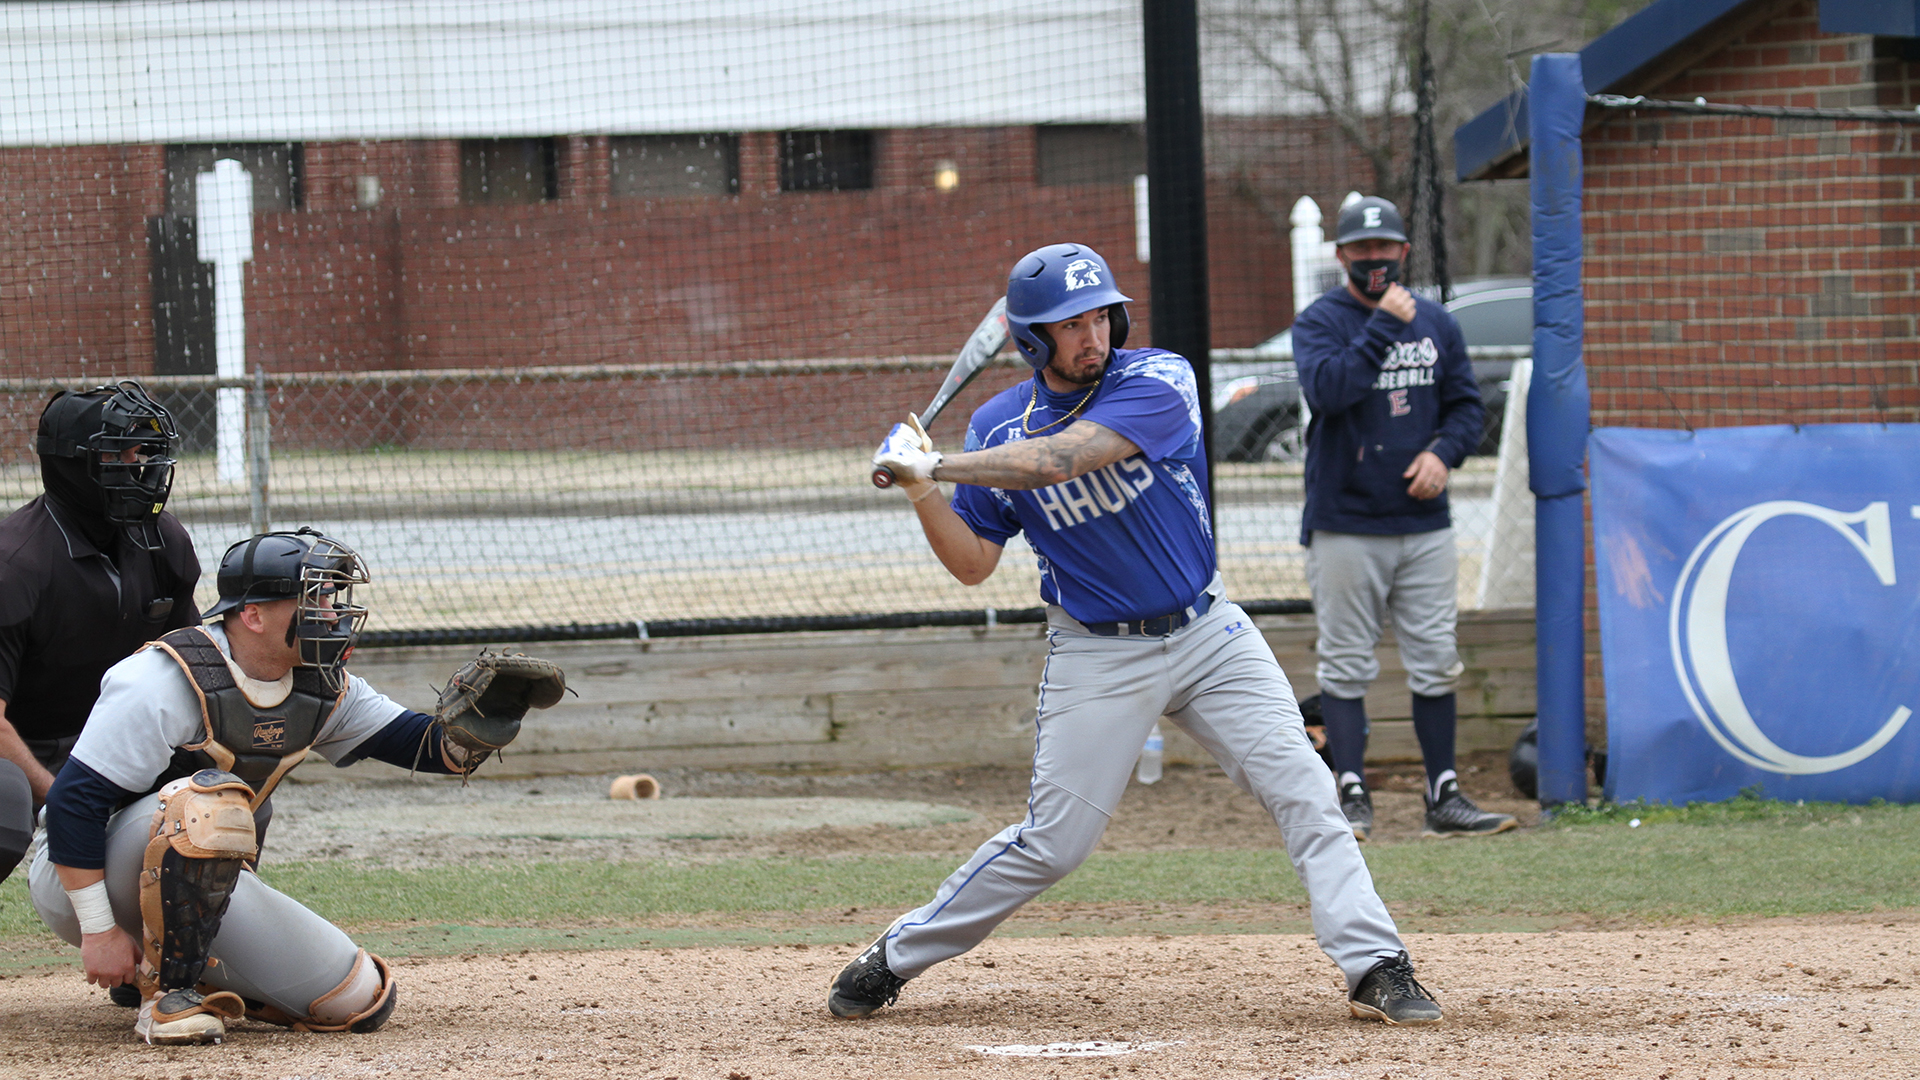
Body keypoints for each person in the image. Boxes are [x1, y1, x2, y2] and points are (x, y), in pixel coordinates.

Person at [845, 242, 1443, 1026]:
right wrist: (920, 489)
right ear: (1033, 341)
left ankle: (1375, 964)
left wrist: (941, 464)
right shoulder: (997, 427)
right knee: (1054, 844)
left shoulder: (1158, 378)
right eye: (1071, 325)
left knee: (1304, 787)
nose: (1093, 336)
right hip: (1097, 653)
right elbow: (971, 564)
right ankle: (894, 956)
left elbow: (1064, 459)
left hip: (1209, 634)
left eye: (1101, 316)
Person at [28, 528, 563, 1046]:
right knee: (207, 803)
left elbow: (425, 746)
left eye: (331, 598)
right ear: (253, 615)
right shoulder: (162, 678)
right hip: (78, 878)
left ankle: (163, 966)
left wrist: (481, 726)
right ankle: (168, 1001)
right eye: (313, 600)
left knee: (356, 997)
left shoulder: (319, 684)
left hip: (190, 888)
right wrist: (98, 929)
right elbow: (73, 803)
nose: (330, 614)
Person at [1291, 196, 1516, 841]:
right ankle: (1351, 794)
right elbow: (1329, 390)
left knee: (1436, 659)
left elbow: (1467, 407)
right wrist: (1385, 325)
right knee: (1345, 664)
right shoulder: (1320, 322)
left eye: (1384, 248)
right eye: (1362, 250)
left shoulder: (1437, 322)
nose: (1375, 260)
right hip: (1345, 521)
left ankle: (1443, 795)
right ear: (1341, 256)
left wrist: (1443, 454)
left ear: (1403, 252)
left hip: (1422, 523)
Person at [0, 381, 200, 886]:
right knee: (3, 805)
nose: (139, 467)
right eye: (120, 454)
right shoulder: (15, 564)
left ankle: (188, 935)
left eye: (143, 452)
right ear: (72, 463)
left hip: (111, 739)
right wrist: (67, 800)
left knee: (222, 795)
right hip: (21, 744)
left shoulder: (165, 541)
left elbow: (195, 673)